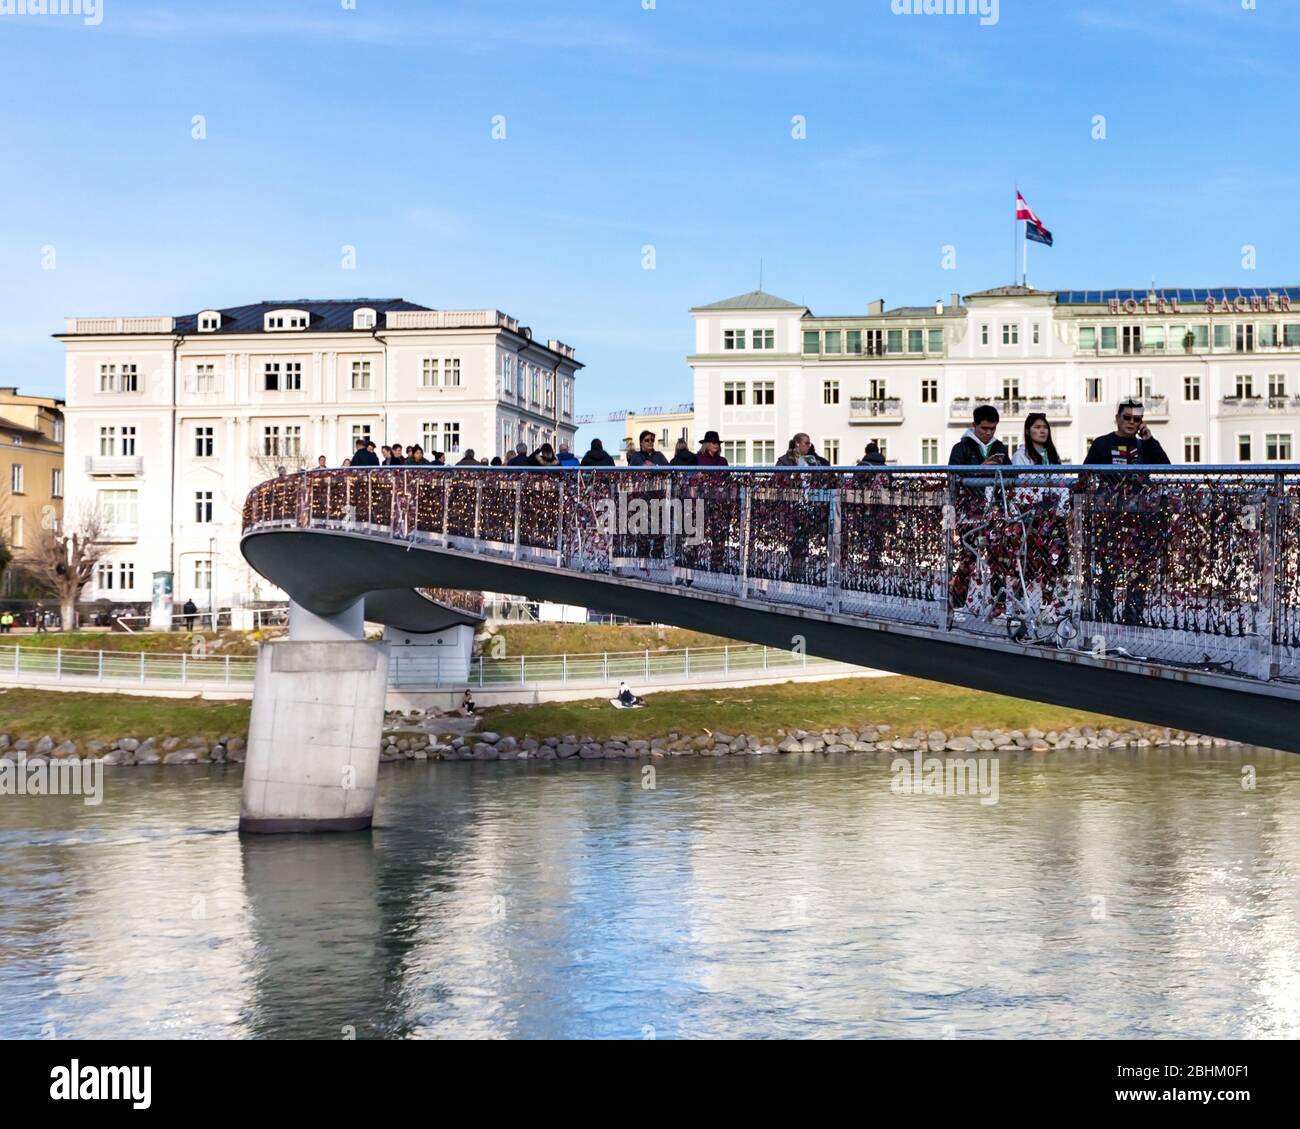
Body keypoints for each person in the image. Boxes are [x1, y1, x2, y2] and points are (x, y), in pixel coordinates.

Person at [1083, 398, 1171, 465]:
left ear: (1141, 422)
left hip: (1138, 489)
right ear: (1117, 418)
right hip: (1109, 489)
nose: (1131, 422)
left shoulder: (1146, 446)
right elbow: (1084, 475)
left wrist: (1150, 440)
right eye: (1127, 417)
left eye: (1136, 419)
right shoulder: (1101, 443)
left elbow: (1167, 468)